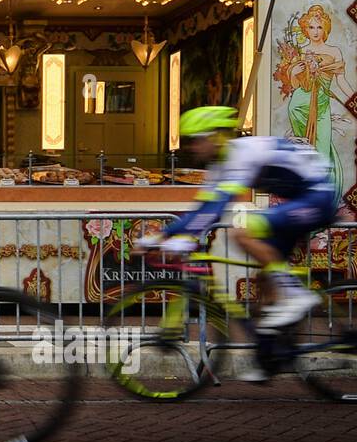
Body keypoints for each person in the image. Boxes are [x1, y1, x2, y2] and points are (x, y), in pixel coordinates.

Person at [137, 105, 335, 337]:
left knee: (242, 232)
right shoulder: (219, 166)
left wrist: (171, 237)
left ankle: (298, 297)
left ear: (217, 136)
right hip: (299, 199)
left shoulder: (242, 155)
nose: (192, 146)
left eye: (198, 139)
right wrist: (169, 236)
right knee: (265, 279)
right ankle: (268, 354)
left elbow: (217, 207)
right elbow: (203, 209)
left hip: (317, 197)